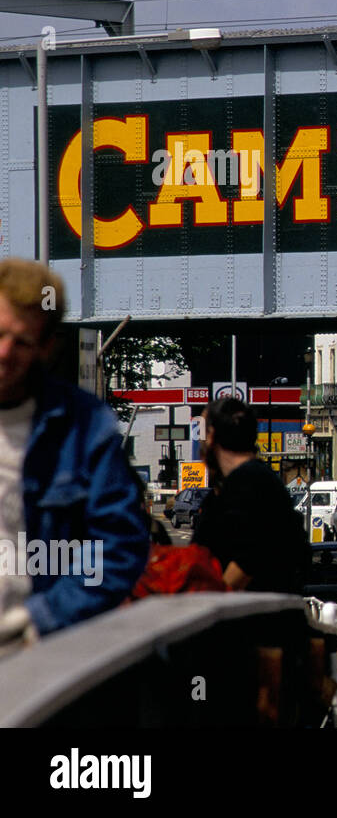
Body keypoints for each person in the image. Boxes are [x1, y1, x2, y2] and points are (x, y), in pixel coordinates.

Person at [0, 259, 149, 654]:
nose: (4, 352)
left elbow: (118, 544)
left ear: (46, 348)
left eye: (22, 342)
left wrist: (42, 618)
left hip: (38, 655)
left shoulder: (85, 427)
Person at [192, 397, 309, 595]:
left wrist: (208, 605)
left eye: (202, 431)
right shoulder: (253, 480)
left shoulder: (249, 484)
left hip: (244, 618)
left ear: (211, 435)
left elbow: (248, 559)